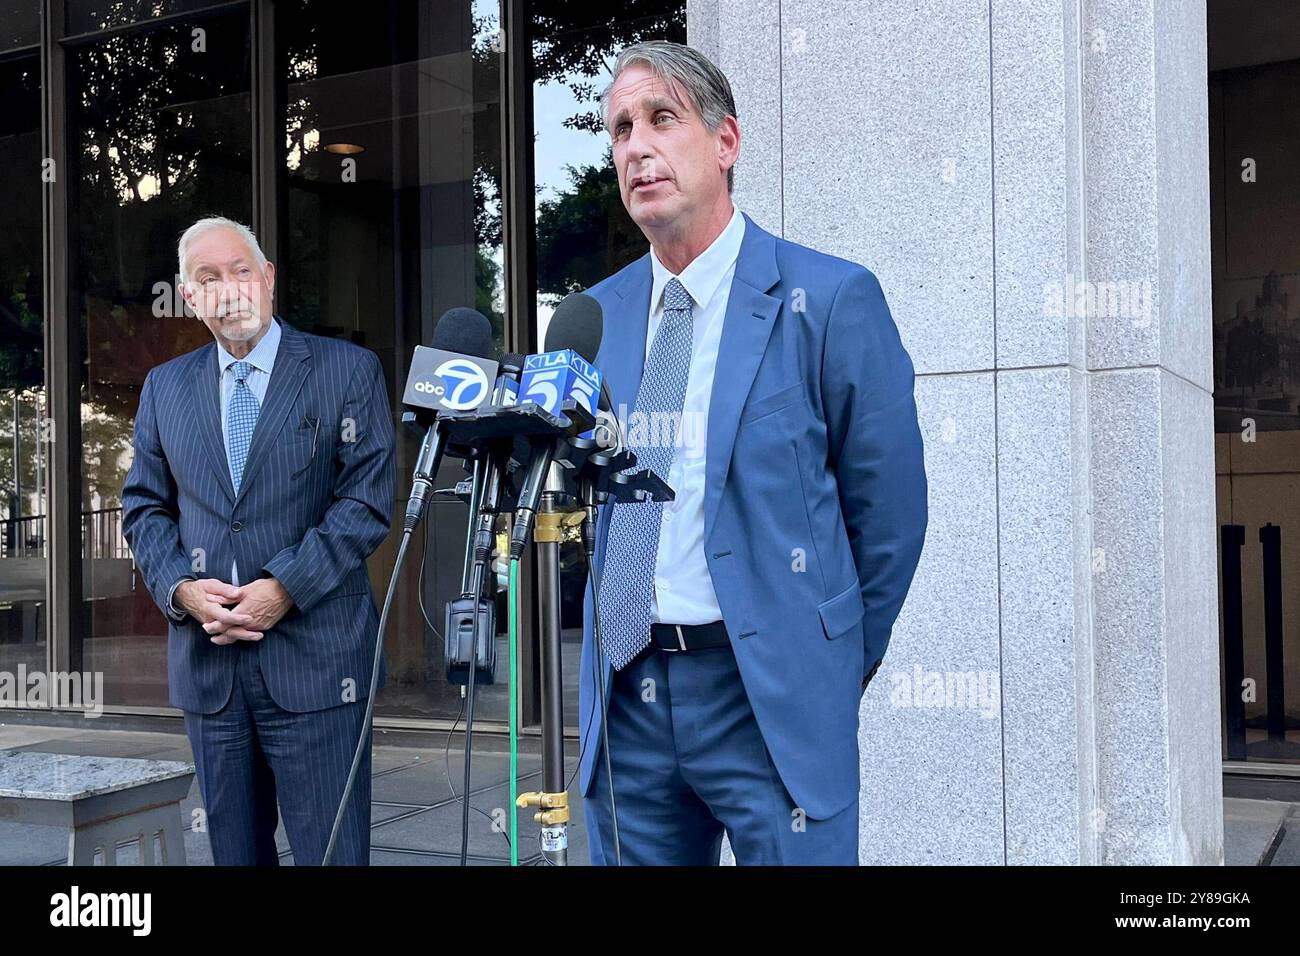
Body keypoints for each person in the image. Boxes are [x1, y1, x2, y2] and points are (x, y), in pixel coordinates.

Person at [578, 41, 929, 865]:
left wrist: (828, 663)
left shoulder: (830, 299)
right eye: (621, 128)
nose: (637, 146)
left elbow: (890, 517)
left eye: (662, 119)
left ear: (725, 142)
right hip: (627, 697)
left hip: (768, 698)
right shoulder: (593, 319)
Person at [122, 216, 395, 865]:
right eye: (208, 279)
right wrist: (181, 590)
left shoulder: (347, 371)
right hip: (211, 672)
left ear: (268, 279)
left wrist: (284, 588)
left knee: (331, 855)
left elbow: (364, 504)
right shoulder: (166, 387)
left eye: (241, 271)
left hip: (320, 667)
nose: (229, 290)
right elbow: (142, 507)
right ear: (190, 298)